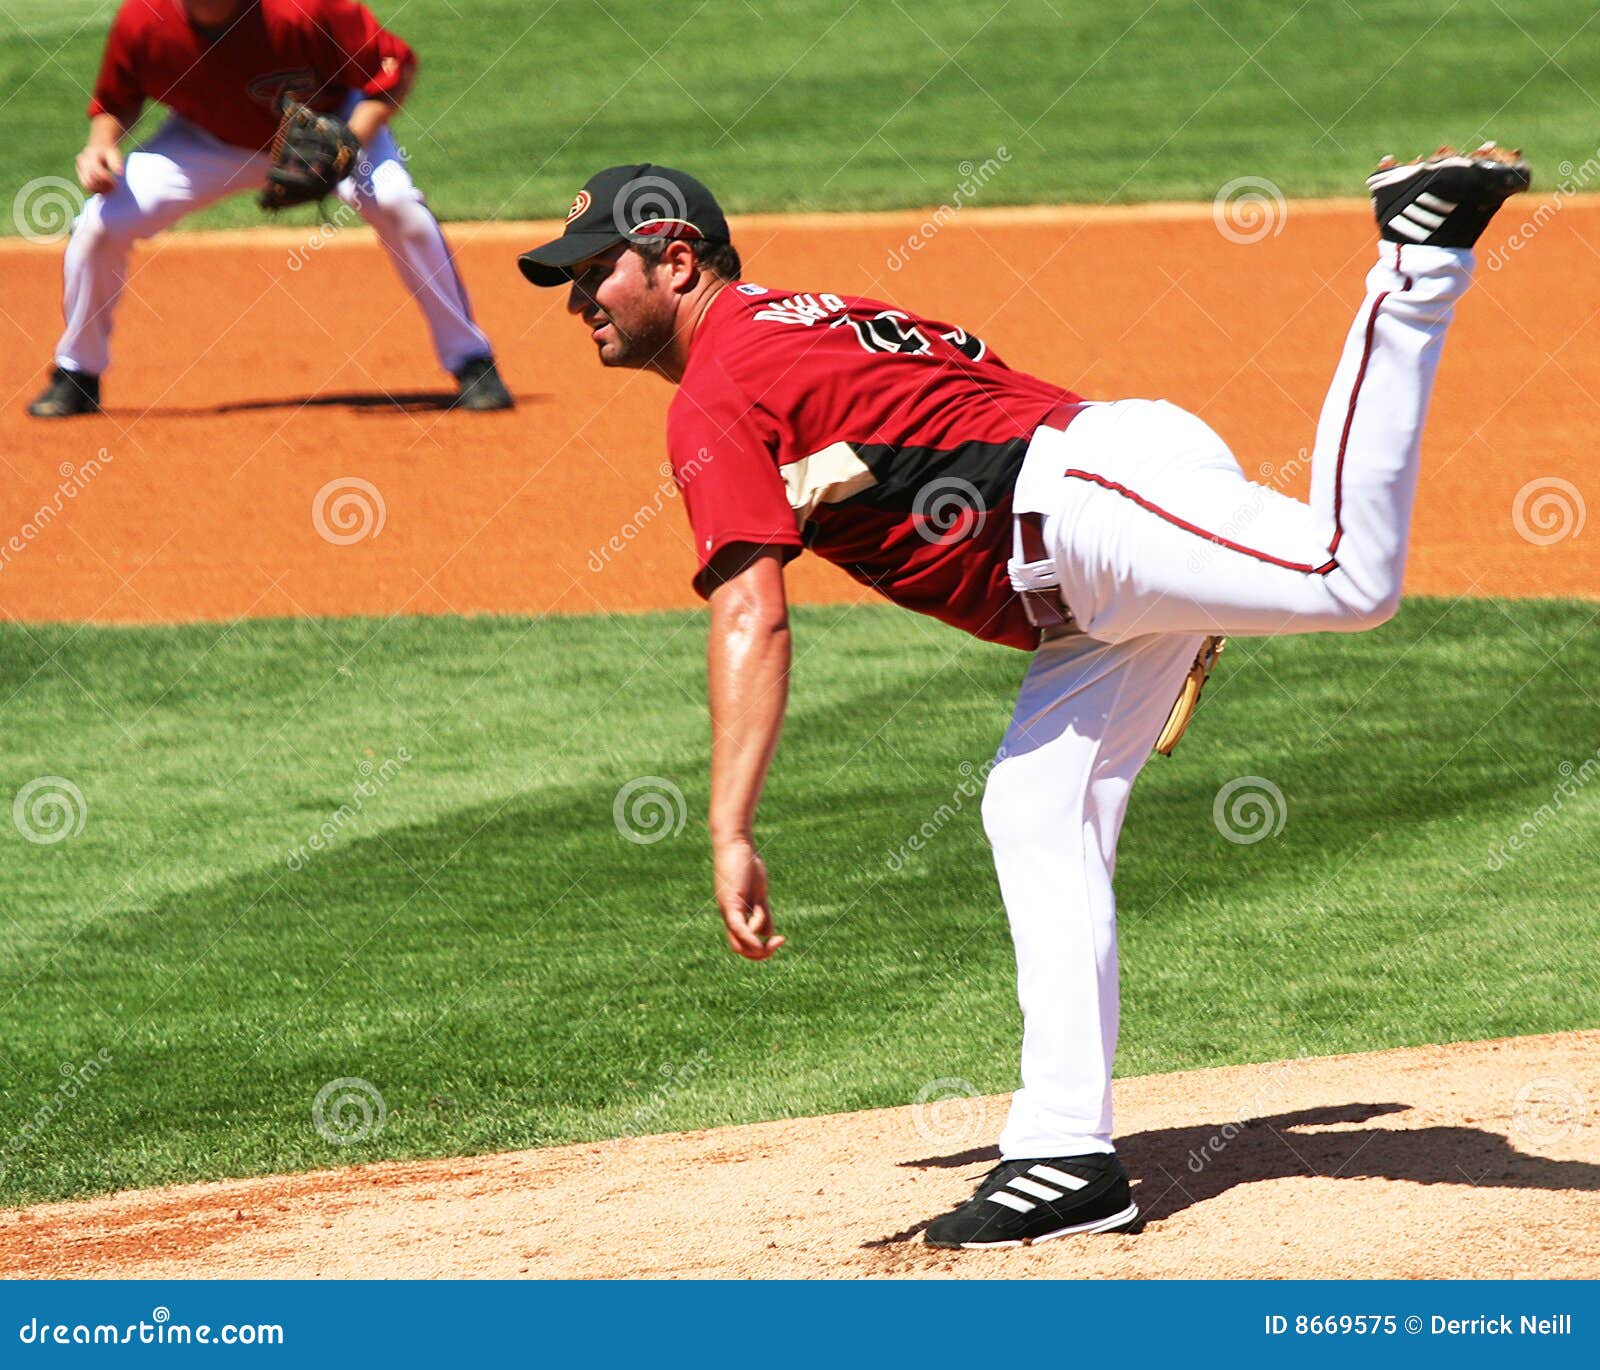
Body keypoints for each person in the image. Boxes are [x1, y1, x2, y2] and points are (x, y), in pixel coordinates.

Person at [517, 149, 1529, 1248]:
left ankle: (1417, 256)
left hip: (1085, 509)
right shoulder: (806, 319)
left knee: (1348, 574)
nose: (576, 300)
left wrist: (727, 824)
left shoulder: (719, 382)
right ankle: (1065, 1159)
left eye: (592, 272)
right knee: (1035, 809)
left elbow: (751, 610)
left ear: (674, 260)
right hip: (1092, 547)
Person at [27, 0, 512, 418]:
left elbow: (393, 68)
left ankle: (471, 359)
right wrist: (101, 146)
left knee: (396, 203)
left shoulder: (307, 9)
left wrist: (347, 142)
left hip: (328, 125)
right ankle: (77, 373)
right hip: (209, 142)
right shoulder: (143, 20)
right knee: (100, 223)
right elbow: (115, 100)